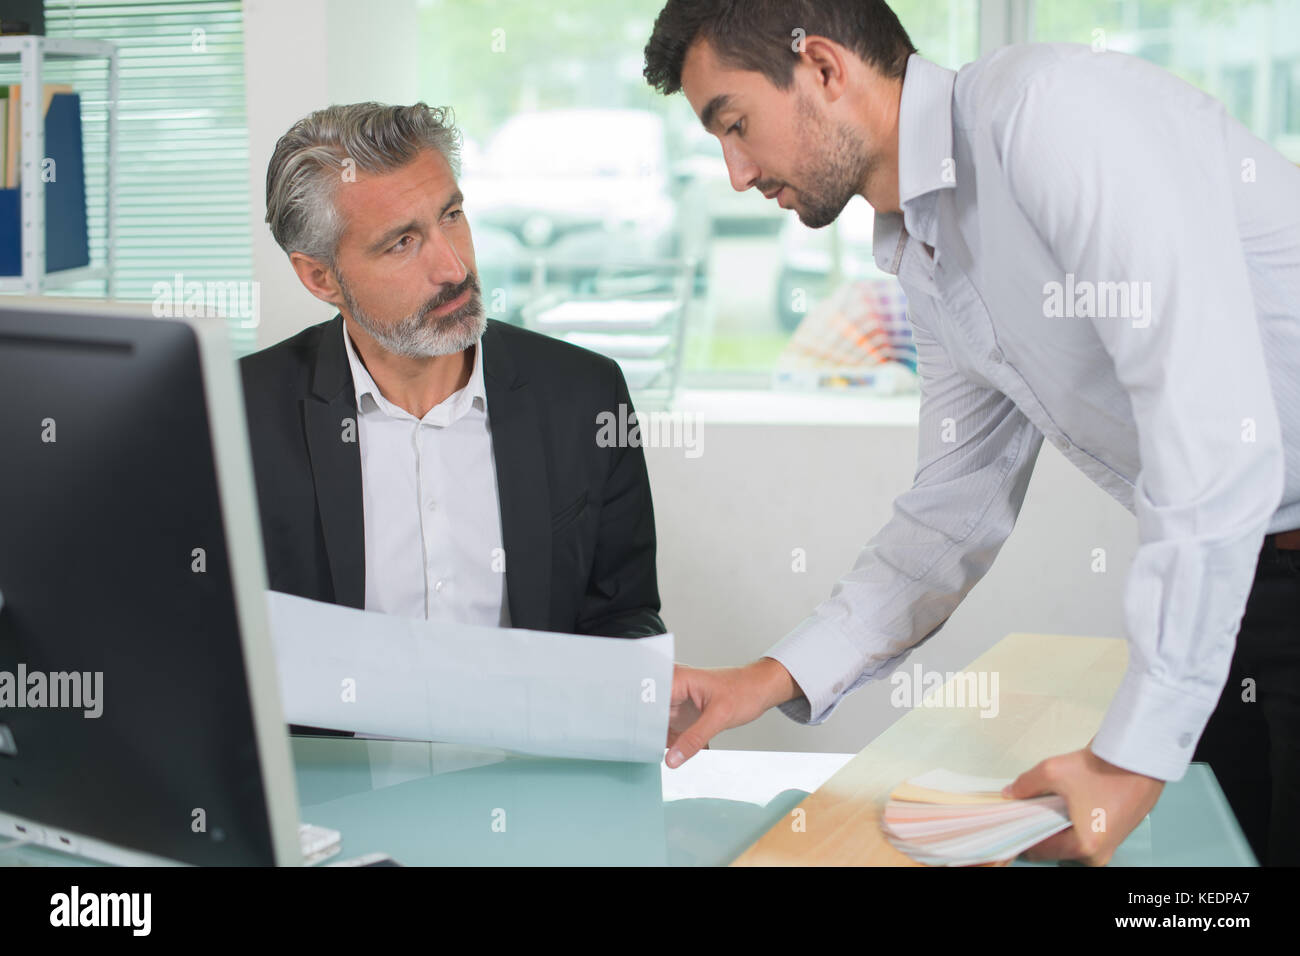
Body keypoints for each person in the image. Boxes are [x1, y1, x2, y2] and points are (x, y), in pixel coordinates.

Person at [644, 0, 1300, 866]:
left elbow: (1210, 424)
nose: (734, 172)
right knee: (1220, 874)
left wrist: (1127, 761)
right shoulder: (928, 246)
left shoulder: (1049, 114)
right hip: (1251, 578)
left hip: (1248, 540)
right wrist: (765, 680)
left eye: (735, 124)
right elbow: (954, 511)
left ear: (826, 69)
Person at [242, 102, 665, 643]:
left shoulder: (586, 395)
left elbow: (623, 617)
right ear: (320, 277)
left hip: (526, 728)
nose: (454, 268)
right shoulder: (237, 413)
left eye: (451, 216)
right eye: (402, 242)